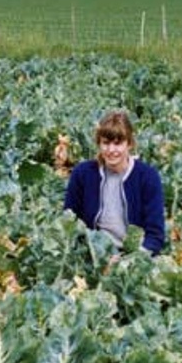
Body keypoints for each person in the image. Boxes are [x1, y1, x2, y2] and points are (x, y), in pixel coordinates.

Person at [63, 110, 166, 256]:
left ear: (129, 144)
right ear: (99, 143)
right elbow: (70, 220)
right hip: (93, 253)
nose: (111, 150)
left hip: (134, 256)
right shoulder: (82, 173)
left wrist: (130, 261)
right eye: (106, 143)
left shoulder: (147, 177)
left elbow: (155, 235)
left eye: (118, 143)